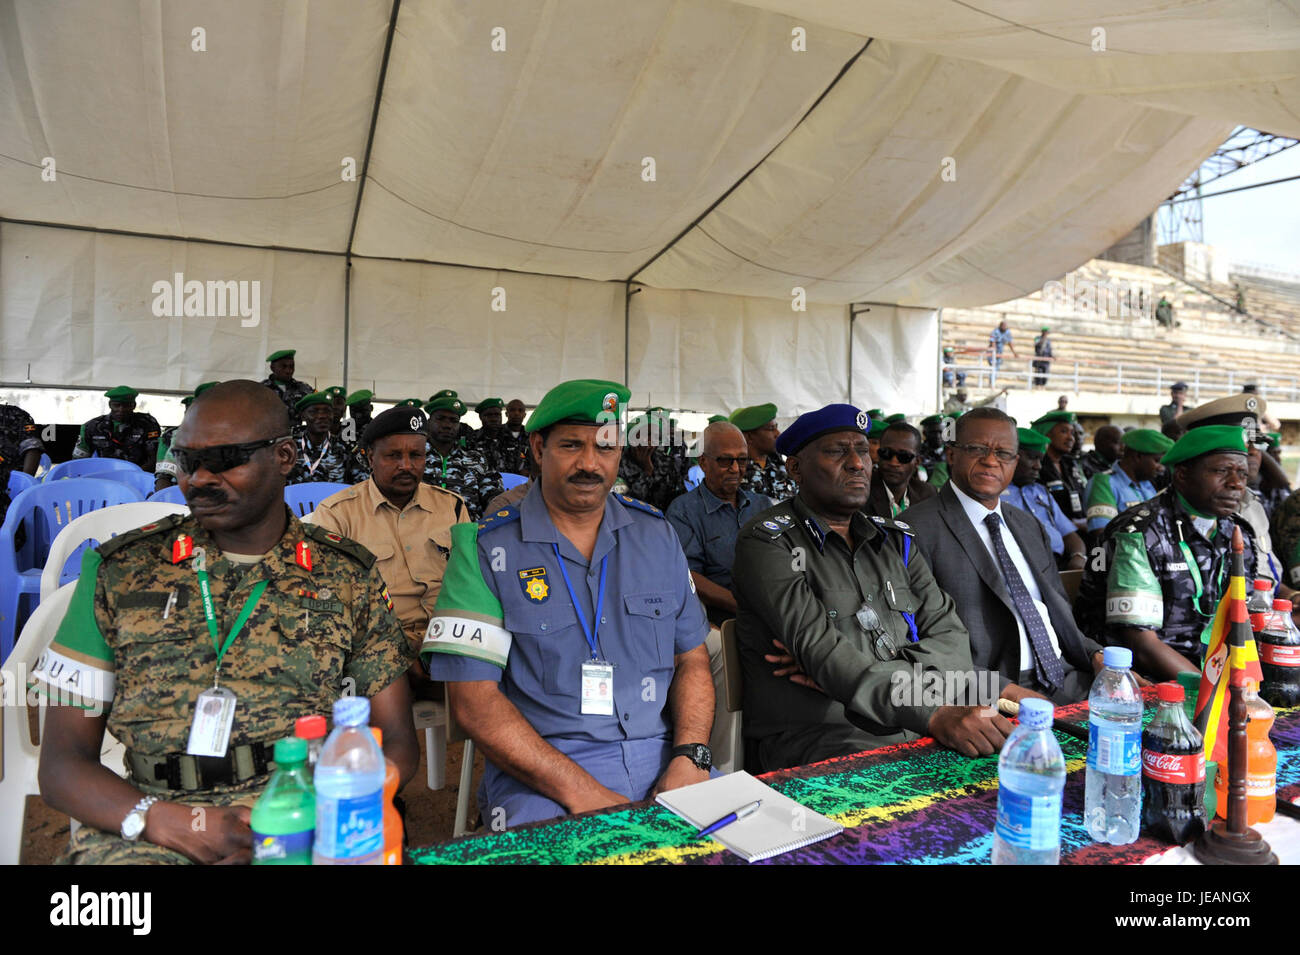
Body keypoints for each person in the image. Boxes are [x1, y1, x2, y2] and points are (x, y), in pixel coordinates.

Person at [32, 380, 418, 864]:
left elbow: (398, 739)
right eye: (188, 460)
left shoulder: (345, 576)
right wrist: (169, 822)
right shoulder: (119, 571)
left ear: (283, 456)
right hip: (152, 821)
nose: (199, 479)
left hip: (302, 814)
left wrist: (320, 815)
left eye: (225, 459)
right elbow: (62, 764)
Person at [422, 379, 715, 827]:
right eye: (572, 445)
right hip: (544, 779)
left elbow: (692, 658)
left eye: (606, 447)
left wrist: (691, 755)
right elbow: (473, 700)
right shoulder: (483, 549)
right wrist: (586, 794)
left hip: (666, 764)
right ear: (539, 449)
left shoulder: (657, 536)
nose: (590, 464)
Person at [732, 404, 1012, 772]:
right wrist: (930, 710)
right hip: (821, 736)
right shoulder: (768, 543)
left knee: (1008, 784)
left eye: (863, 451)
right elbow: (824, 652)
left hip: (916, 722)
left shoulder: (896, 541)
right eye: (837, 451)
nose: (857, 464)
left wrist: (895, 682)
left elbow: (952, 639)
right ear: (796, 468)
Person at [901, 408, 1105, 704]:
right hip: (989, 692)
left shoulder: (1027, 525)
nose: (991, 460)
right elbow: (916, 643)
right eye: (977, 449)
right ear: (952, 454)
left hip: (1065, 676)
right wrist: (996, 689)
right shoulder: (914, 530)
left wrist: (1095, 655)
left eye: (1004, 453)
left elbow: (1058, 616)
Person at [1074, 426, 1258, 681]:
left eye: (1242, 474)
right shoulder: (1137, 534)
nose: (1236, 483)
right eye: (1221, 471)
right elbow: (1143, 645)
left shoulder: (1237, 531)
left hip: (1213, 670)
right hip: (1140, 679)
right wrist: (1212, 692)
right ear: (1182, 475)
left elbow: (1242, 617)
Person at [312, 406, 470, 697]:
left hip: (448, 640)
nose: (406, 466)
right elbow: (330, 602)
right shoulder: (337, 514)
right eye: (393, 456)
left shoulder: (452, 506)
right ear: (370, 457)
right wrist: (395, 652)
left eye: (416, 455)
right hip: (377, 647)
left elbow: (470, 586)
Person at [1177, 394, 1292, 595]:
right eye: (1242, 443)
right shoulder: (1177, 515)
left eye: (1257, 444)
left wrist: (1290, 596)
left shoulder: (1252, 505)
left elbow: (1265, 576)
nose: (1254, 452)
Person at [665, 421, 772, 625]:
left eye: (742, 460)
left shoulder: (762, 505)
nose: (735, 469)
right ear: (703, 462)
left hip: (772, 613)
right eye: (725, 460)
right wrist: (745, 607)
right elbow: (689, 576)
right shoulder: (683, 511)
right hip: (720, 621)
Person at [999, 428, 1087, 570]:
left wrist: (1078, 557)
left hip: (1059, 564)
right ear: (1011, 457)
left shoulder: (1041, 491)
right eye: (1033, 458)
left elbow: (1070, 535)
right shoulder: (994, 494)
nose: (1038, 466)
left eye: (1040, 459)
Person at [422, 395, 502, 520]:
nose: (447, 425)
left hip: (467, 531)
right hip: (421, 529)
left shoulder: (476, 459)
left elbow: (495, 498)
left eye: (453, 421)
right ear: (428, 422)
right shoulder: (414, 457)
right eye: (441, 419)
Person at [1083, 428, 1170, 532]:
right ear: (1137, 456)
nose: (1161, 468)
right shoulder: (1104, 483)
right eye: (1157, 461)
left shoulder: (1147, 484)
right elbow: (1101, 532)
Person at [71, 385, 161, 470]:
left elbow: (154, 458)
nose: (121, 409)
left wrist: (133, 475)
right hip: (104, 474)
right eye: (116, 405)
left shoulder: (148, 423)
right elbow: (79, 460)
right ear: (110, 405)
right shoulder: (92, 426)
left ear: (133, 405)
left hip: (139, 474)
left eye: (126, 405)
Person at [288, 392, 366, 485]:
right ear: (303, 416)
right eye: (314, 411)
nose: (322, 416)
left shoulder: (347, 449)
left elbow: (363, 483)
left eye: (327, 411)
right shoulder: (289, 448)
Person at [617, 410, 687, 512]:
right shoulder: (618, 464)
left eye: (655, 436)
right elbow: (624, 504)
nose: (650, 440)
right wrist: (646, 472)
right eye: (645, 434)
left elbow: (678, 498)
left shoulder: (666, 461)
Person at [865, 421, 935, 518]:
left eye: (904, 456)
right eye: (886, 453)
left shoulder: (927, 494)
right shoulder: (862, 492)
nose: (893, 463)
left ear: (917, 461)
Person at [1032, 409, 1086, 531]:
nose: (1071, 438)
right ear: (1046, 435)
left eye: (1072, 433)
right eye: (1063, 431)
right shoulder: (1036, 465)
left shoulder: (1071, 463)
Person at [731, 402, 797, 501]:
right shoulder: (735, 471)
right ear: (749, 437)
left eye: (776, 427)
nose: (778, 434)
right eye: (771, 429)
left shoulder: (782, 466)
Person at [472, 397, 528, 476]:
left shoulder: (510, 439)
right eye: (489, 415)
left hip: (510, 484)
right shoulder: (472, 438)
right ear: (481, 417)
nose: (494, 419)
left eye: (497, 415)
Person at [260, 349, 314, 417]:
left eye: (291, 366)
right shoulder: (261, 389)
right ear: (272, 368)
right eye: (283, 366)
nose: (288, 371)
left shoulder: (304, 388)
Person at [919, 414, 951, 488]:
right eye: (933, 432)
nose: (938, 436)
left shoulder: (952, 451)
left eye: (941, 432)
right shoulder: (918, 452)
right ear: (925, 433)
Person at [987, 320, 1016, 385]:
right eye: (1003, 326)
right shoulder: (995, 331)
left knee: (996, 368)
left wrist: (1014, 352)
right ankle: (991, 383)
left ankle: (992, 383)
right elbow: (993, 342)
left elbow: (1010, 343)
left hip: (999, 353)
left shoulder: (1007, 332)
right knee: (993, 367)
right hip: (992, 353)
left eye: (1005, 326)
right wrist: (994, 352)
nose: (1004, 327)